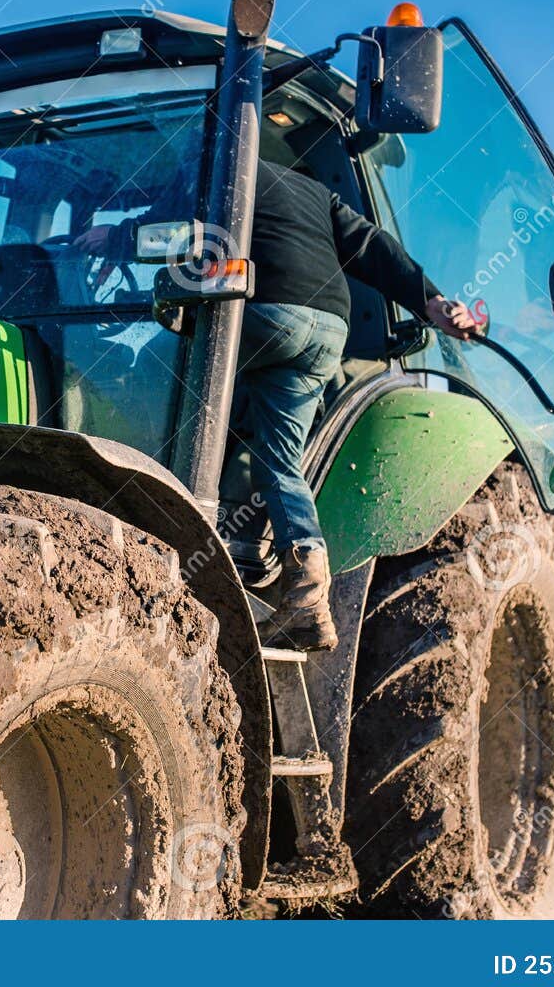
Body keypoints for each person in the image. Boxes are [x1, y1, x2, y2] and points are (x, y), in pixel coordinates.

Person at [77, 159, 478, 650]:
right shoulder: (316, 193)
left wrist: (113, 237)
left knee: (159, 376)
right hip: (328, 329)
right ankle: (307, 601)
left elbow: (170, 225)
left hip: (266, 307)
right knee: (280, 461)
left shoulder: (223, 163)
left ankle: (164, 540)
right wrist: (432, 302)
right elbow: (374, 247)